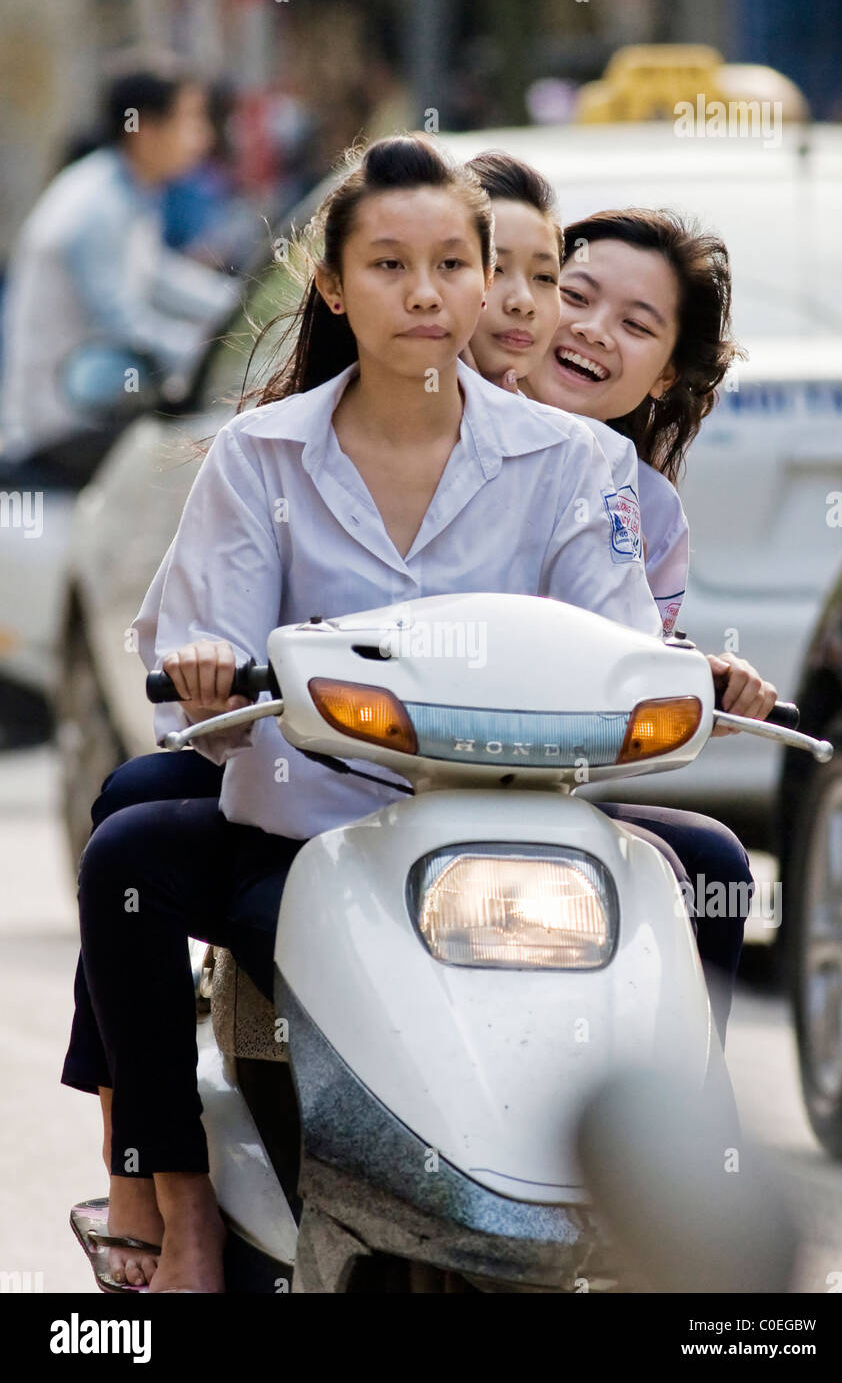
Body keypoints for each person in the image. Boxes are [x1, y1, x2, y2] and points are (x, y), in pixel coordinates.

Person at [62, 132, 673, 1294]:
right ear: (335, 288)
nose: (426, 292)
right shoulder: (258, 458)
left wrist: (671, 682)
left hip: (513, 848)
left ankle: (663, 1225)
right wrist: (209, 668)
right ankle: (177, 1196)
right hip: (306, 843)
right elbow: (212, 641)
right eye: (388, 266)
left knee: (681, 884)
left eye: (453, 263)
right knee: (130, 853)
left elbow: (624, 646)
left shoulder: (576, 463)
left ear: (487, 279)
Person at [466, 182, 772, 1042]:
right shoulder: (436, 424)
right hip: (372, 769)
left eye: (637, 325)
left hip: (538, 790)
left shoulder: (646, 512)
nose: (595, 329)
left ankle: (684, 1146)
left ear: (667, 374)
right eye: (577, 294)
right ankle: (149, 1155)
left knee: (710, 861)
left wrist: (696, 678)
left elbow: (631, 655)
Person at [0, 48, 240, 484]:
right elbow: (126, 324)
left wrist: (245, 309)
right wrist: (219, 354)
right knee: (227, 456)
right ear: (144, 130)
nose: (204, 138)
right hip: (64, 425)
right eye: (192, 119)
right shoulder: (98, 206)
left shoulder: (127, 191)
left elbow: (160, 277)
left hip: (101, 410)